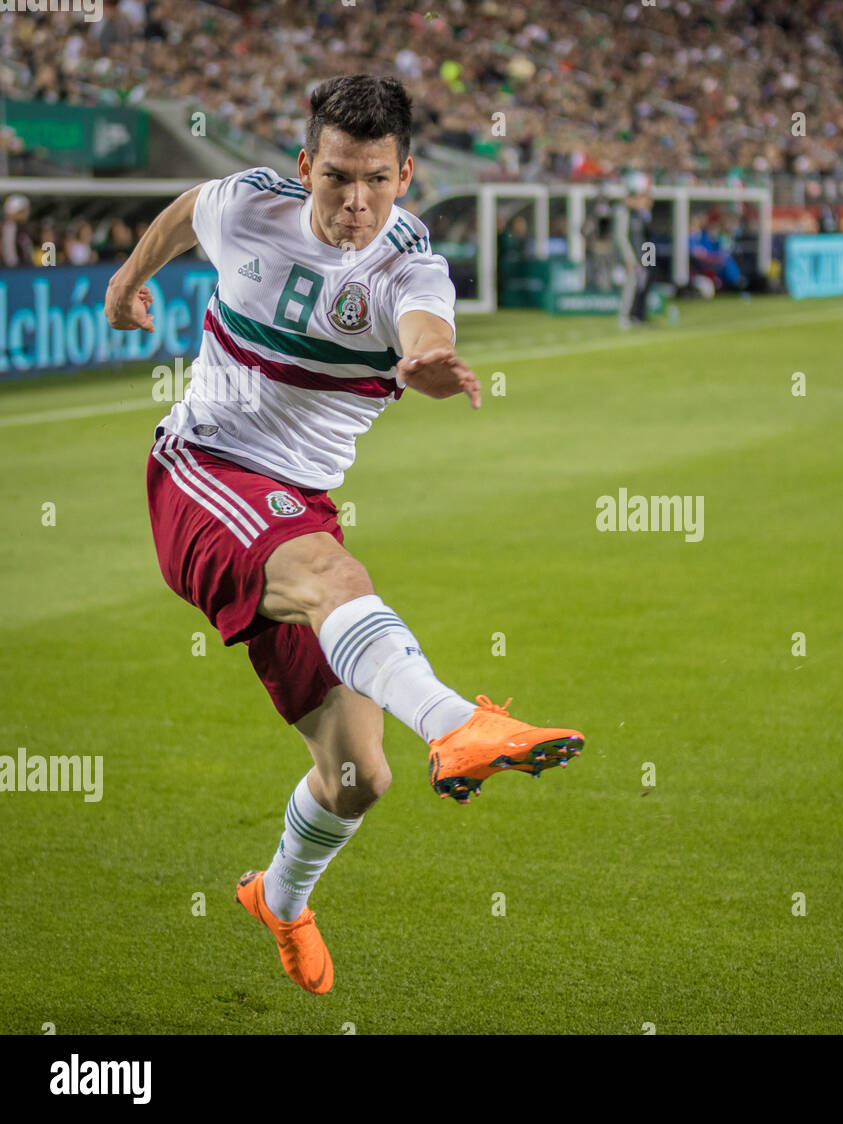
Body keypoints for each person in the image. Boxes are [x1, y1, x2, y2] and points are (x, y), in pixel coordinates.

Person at [102, 75, 584, 997]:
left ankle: (278, 898)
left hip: (296, 507)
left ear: (405, 175)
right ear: (303, 168)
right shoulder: (249, 205)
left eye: (374, 180)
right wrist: (130, 281)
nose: (354, 202)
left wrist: (427, 359)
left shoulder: (411, 266)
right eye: (334, 179)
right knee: (332, 570)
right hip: (203, 472)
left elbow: (423, 321)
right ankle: (458, 723)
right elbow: (190, 206)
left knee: (360, 774)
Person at [618, 187, 654, 327]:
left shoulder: (641, 215)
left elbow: (647, 240)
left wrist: (648, 260)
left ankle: (636, 315)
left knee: (638, 287)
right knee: (630, 286)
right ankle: (626, 316)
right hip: (633, 258)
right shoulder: (627, 214)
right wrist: (629, 257)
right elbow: (622, 238)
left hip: (643, 257)